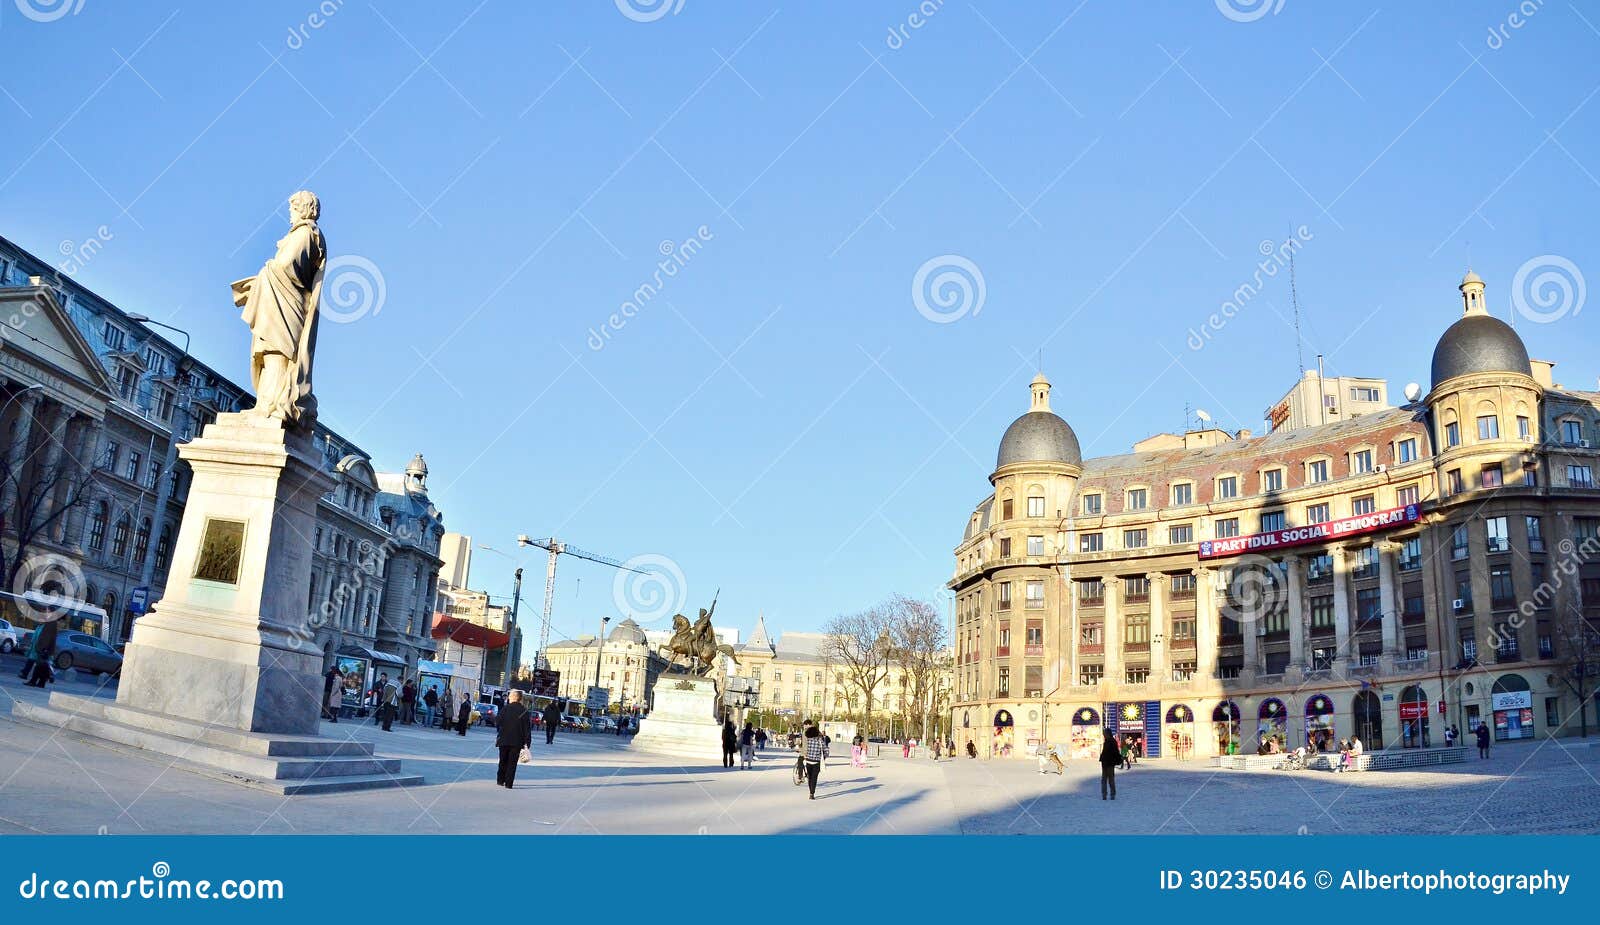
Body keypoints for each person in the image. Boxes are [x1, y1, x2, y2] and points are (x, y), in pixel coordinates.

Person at [496, 691, 533, 789]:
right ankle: (509, 783)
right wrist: (527, 743)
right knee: (512, 763)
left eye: (509, 696)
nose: (508, 698)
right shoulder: (525, 711)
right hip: (517, 742)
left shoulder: (505, 708)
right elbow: (527, 729)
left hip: (504, 739)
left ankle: (500, 780)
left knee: (503, 760)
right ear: (520, 699)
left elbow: (498, 721)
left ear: (513, 697)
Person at [26, 618, 59, 688]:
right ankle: (41, 682)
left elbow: (47, 639)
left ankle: (34, 681)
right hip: (44, 650)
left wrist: (43, 649)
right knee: (42, 667)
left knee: (39, 666)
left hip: (44, 650)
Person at [802, 724, 825, 799]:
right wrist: (823, 757)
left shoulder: (808, 741)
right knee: (814, 778)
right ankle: (812, 793)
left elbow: (804, 749)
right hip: (816, 762)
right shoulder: (820, 741)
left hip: (808, 761)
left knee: (809, 777)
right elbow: (826, 751)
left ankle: (810, 791)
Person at [1098, 728, 1120, 800]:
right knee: (1104, 780)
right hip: (1105, 763)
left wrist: (1117, 760)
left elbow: (1115, 752)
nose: (1103, 735)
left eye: (1104, 733)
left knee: (1110, 780)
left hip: (1110, 763)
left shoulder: (1112, 741)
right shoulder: (1107, 741)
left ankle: (1112, 794)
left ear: (1108, 734)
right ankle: (1104, 795)